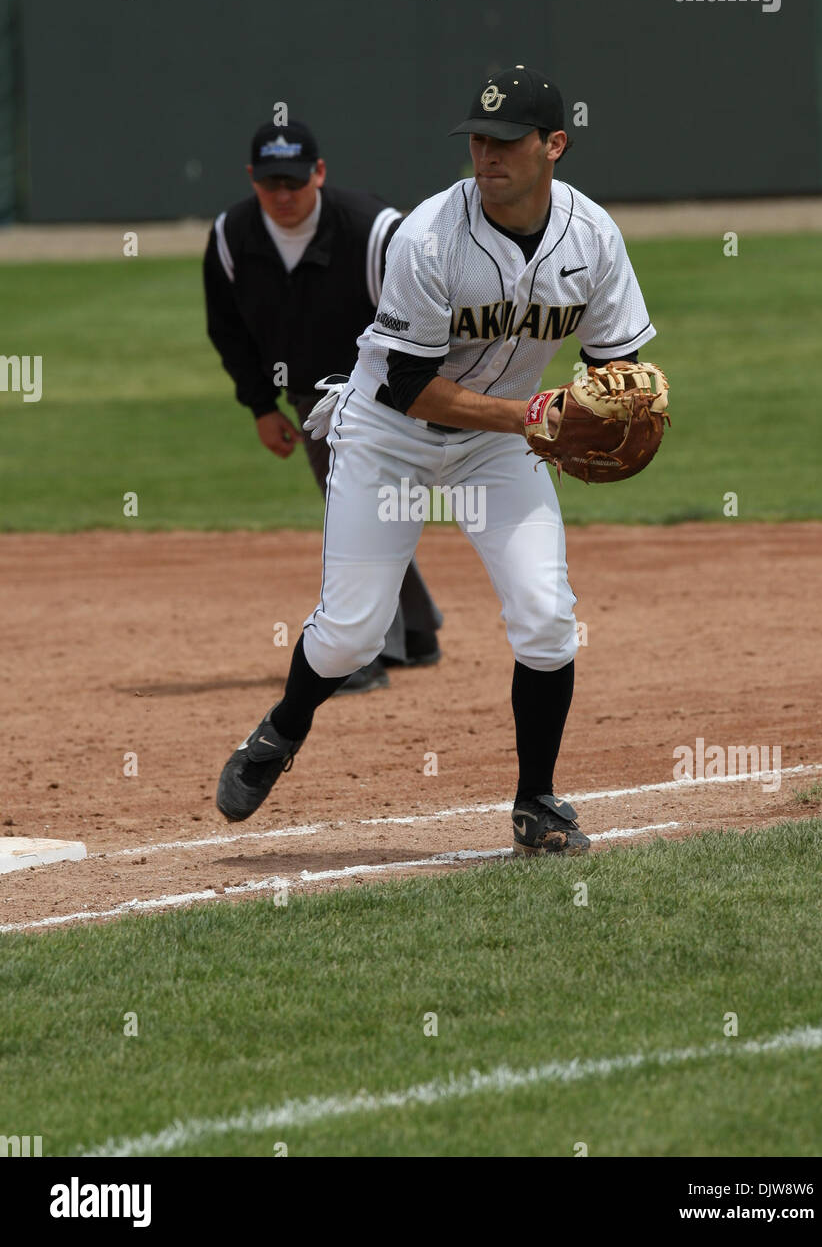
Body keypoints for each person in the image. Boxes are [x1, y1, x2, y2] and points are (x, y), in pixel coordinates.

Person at [216, 67, 657, 855]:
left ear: (553, 145)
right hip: (391, 435)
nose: (487, 154)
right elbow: (414, 387)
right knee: (353, 635)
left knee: (548, 617)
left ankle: (538, 802)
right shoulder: (429, 236)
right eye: (478, 139)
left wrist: (607, 410)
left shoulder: (593, 238)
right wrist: (535, 416)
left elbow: (614, 364)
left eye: (507, 140)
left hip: (498, 446)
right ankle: (282, 731)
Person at [203, 119, 443, 693]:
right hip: (313, 397)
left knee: (358, 513)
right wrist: (261, 406)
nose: (282, 195)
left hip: (393, 389)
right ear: (251, 179)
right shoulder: (231, 236)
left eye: (294, 181)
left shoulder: (374, 230)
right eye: (269, 183)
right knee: (367, 510)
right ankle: (414, 633)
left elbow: (435, 310)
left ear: (320, 173)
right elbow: (228, 330)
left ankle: (356, 654)